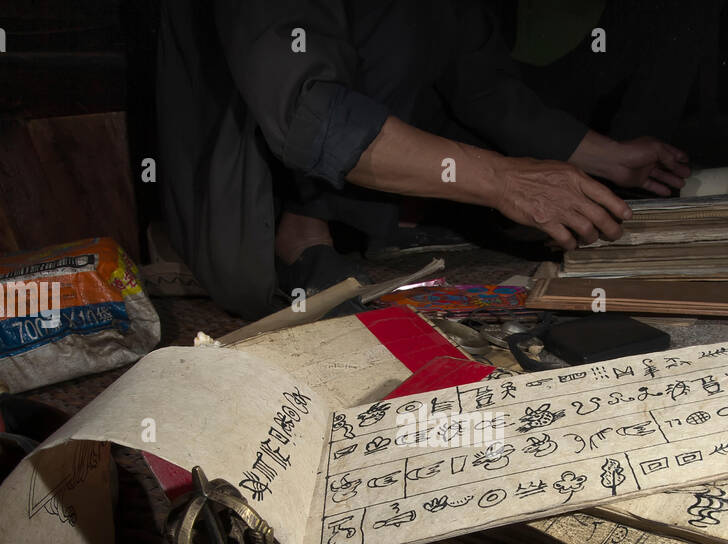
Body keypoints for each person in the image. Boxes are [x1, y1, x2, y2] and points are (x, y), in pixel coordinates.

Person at [157, 1, 692, 319]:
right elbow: (309, 112)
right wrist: (507, 184)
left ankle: (343, 226)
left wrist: (611, 158)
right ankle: (301, 234)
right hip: (240, 200)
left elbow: (478, 81)